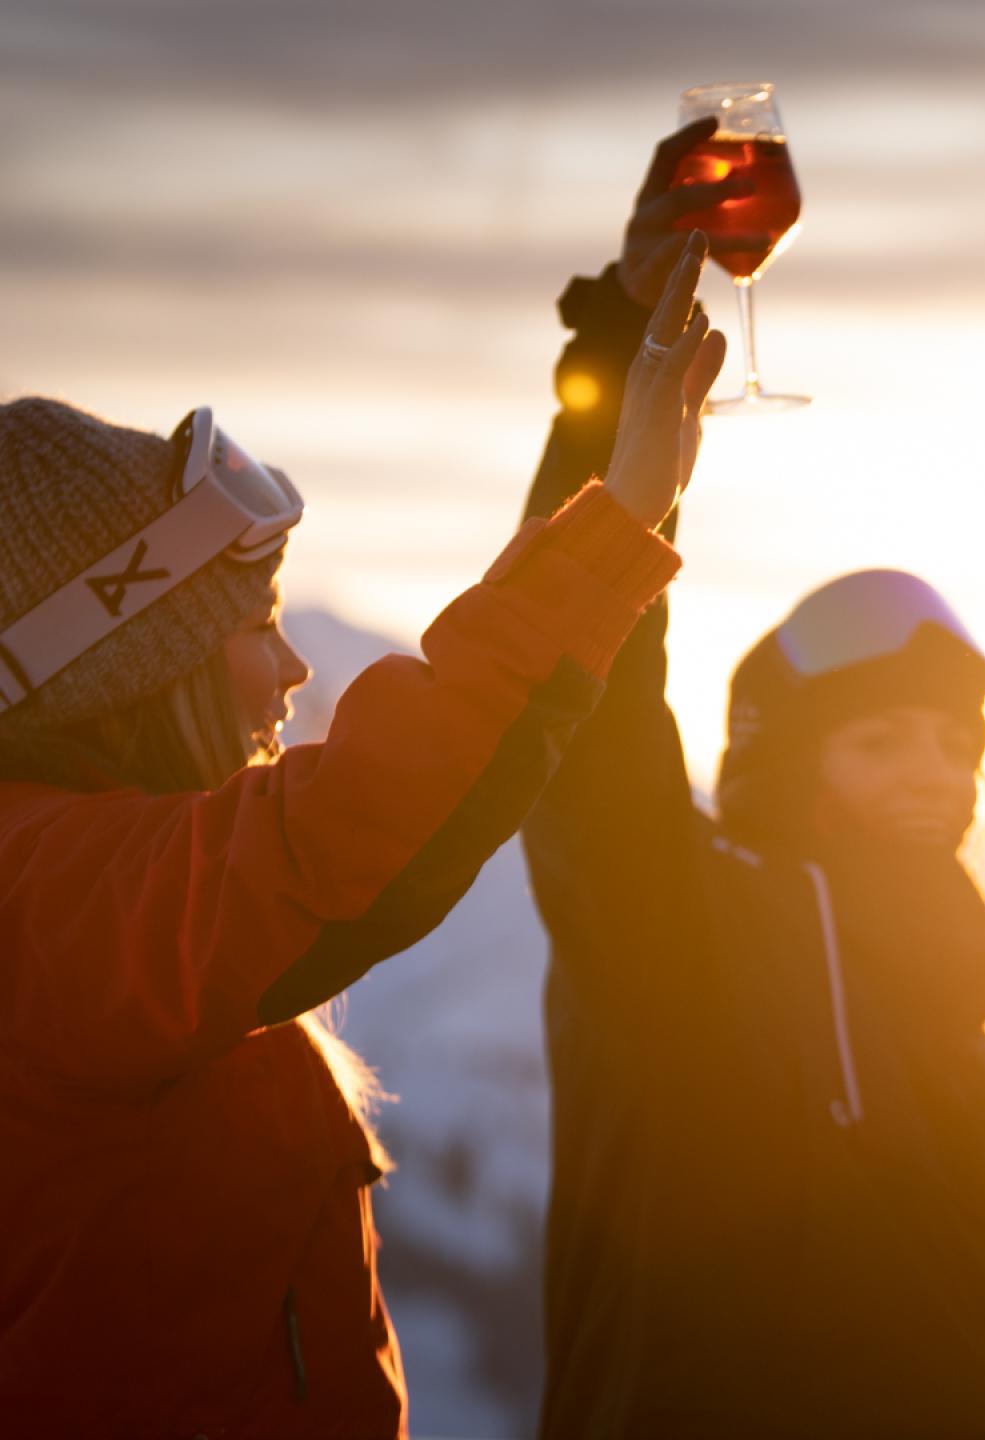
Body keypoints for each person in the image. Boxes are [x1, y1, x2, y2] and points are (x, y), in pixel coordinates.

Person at [0, 236, 723, 1435]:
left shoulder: (88, 888)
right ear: (125, 670)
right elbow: (353, 827)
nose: (292, 674)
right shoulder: (47, 893)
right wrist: (617, 526)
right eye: (257, 625)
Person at [519, 120, 985, 1440]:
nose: (931, 774)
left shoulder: (945, 983)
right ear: (787, 770)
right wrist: (620, 364)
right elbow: (580, 714)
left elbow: (913, 1322)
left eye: (950, 744)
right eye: (878, 742)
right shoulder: (685, 935)